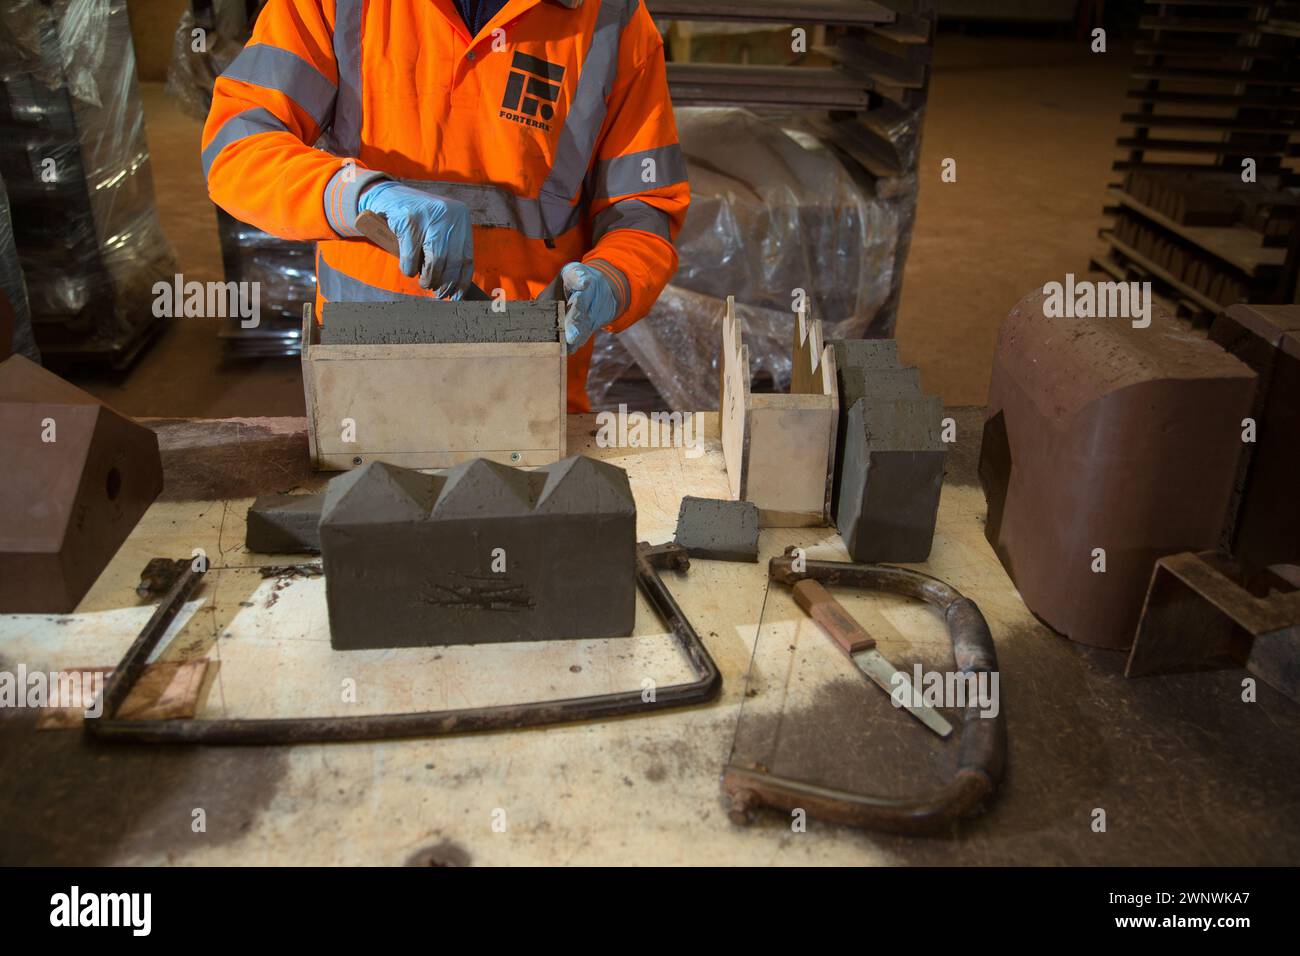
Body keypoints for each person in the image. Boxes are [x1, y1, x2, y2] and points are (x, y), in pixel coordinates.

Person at [202, 0, 689, 411]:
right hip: (363, 373)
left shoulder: (612, 21)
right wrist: (356, 194)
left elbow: (645, 210)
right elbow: (238, 146)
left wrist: (614, 277)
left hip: (528, 385)